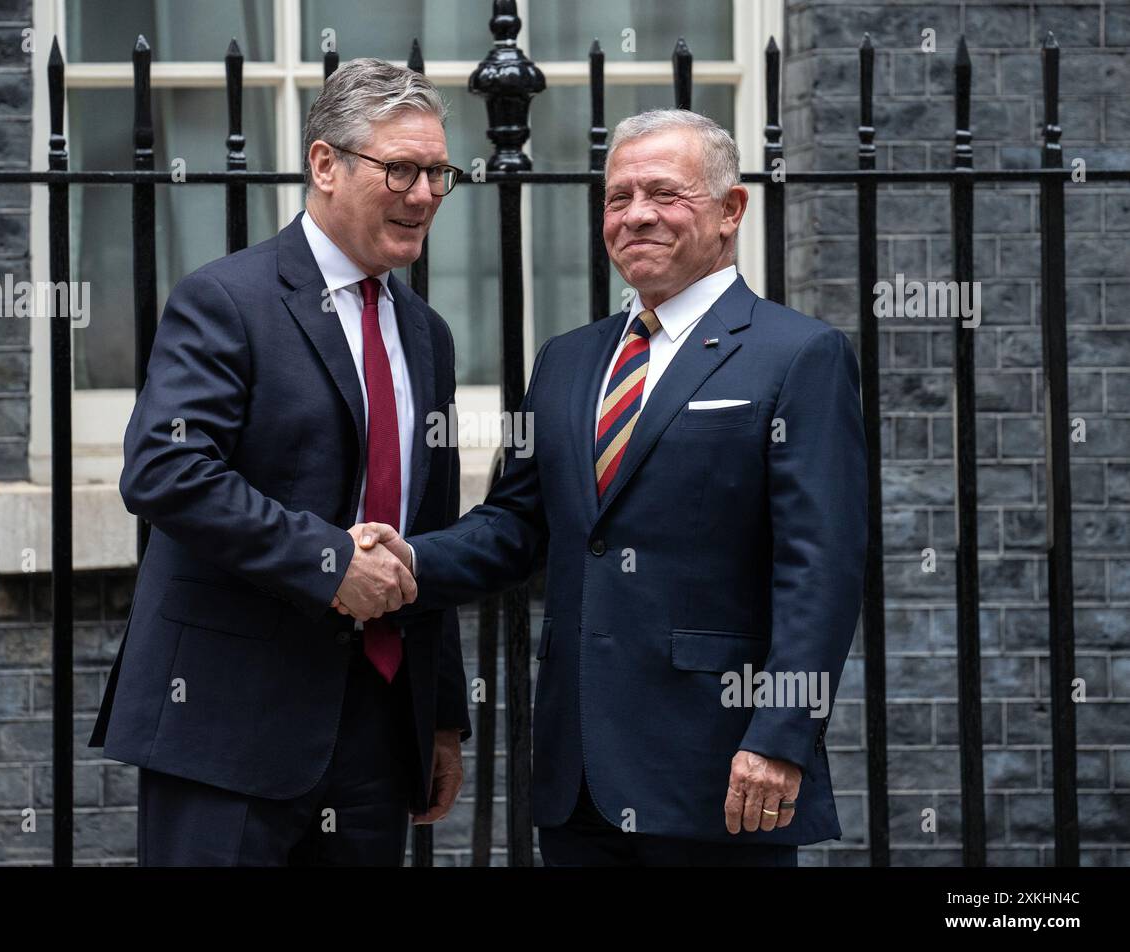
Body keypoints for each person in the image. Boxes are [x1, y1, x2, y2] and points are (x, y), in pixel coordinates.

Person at [355, 109, 867, 866]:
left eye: (664, 193)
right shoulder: (567, 359)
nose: (636, 215)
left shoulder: (799, 355)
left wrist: (780, 736)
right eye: (618, 197)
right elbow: (515, 524)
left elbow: (820, 569)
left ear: (731, 210)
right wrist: (409, 559)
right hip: (578, 776)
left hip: (721, 772)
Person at [89, 58, 469, 866]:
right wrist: (330, 562)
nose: (424, 194)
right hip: (227, 726)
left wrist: (439, 715)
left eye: (438, 172)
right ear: (325, 164)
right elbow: (164, 469)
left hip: (376, 732)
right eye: (401, 169)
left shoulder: (427, 335)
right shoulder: (227, 299)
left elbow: (427, 529)